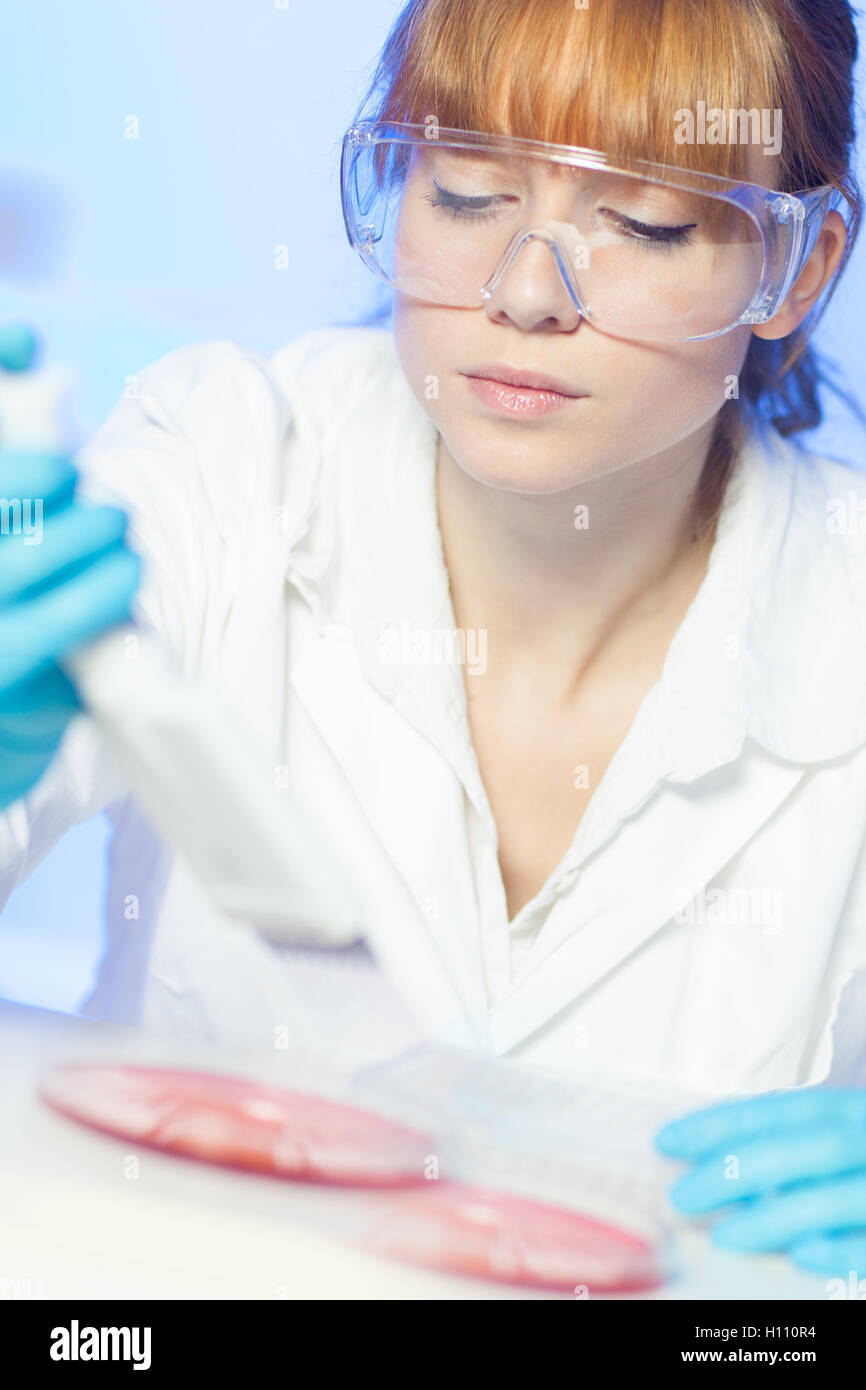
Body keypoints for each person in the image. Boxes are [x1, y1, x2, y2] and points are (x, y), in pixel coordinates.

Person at [1, 0, 865, 1276]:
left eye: (642, 222)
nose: (523, 294)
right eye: (464, 193)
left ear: (795, 269)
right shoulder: (222, 468)